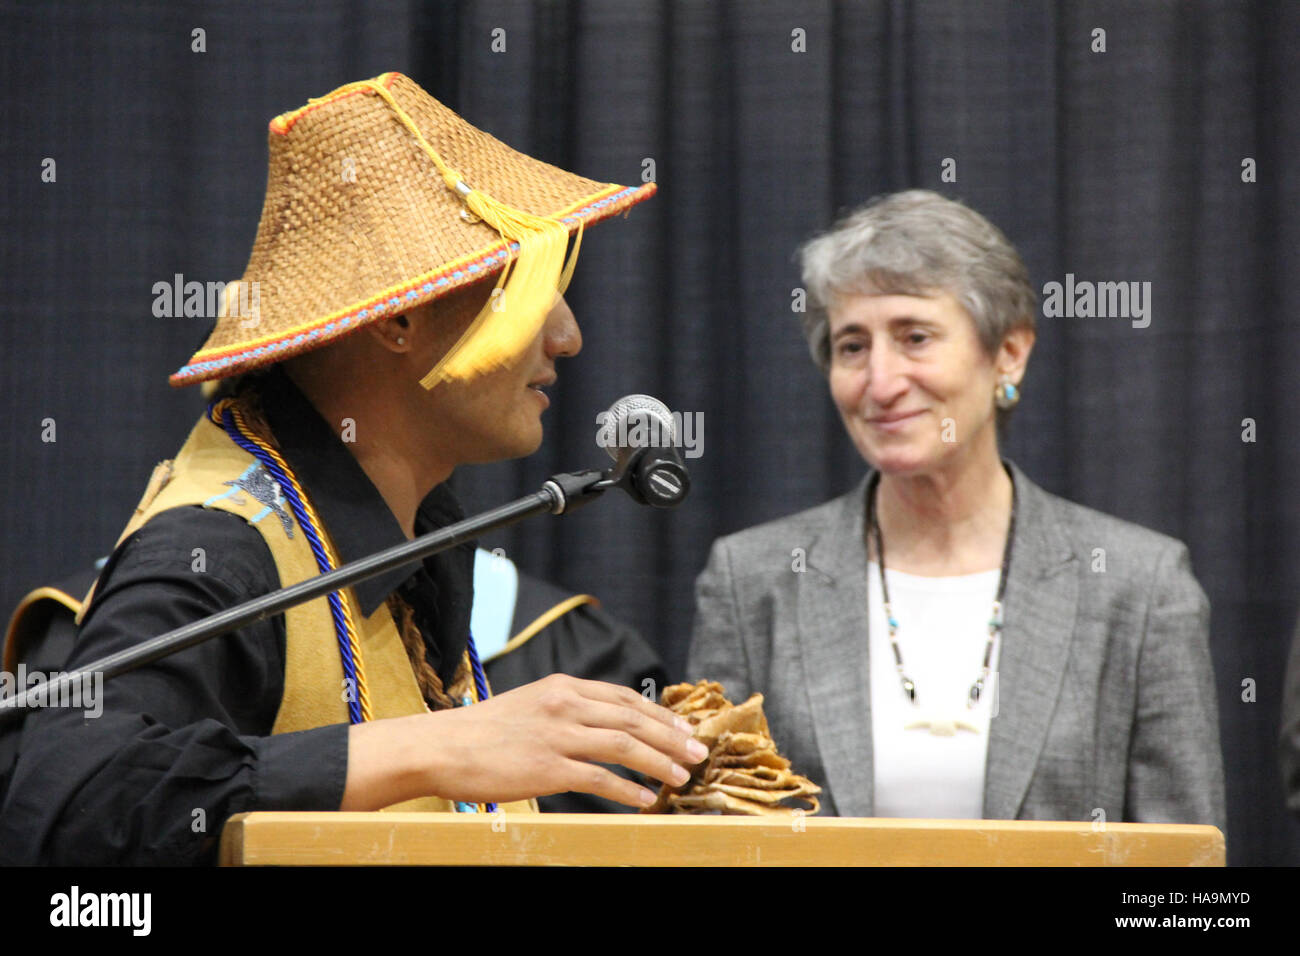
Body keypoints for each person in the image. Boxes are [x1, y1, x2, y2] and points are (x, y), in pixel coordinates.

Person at [0, 72, 706, 865]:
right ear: (401, 316)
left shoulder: (413, 528)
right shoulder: (217, 547)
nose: (568, 336)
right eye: (533, 286)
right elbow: (61, 812)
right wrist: (436, 746)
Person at [687, 190, 1226, 830]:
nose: (881, 383)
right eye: (852, 346)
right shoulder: (752, 581)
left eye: (915, 337)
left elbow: (1185, 882)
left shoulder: (1141, 587)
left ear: (1009, 354)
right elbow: (712, 841)